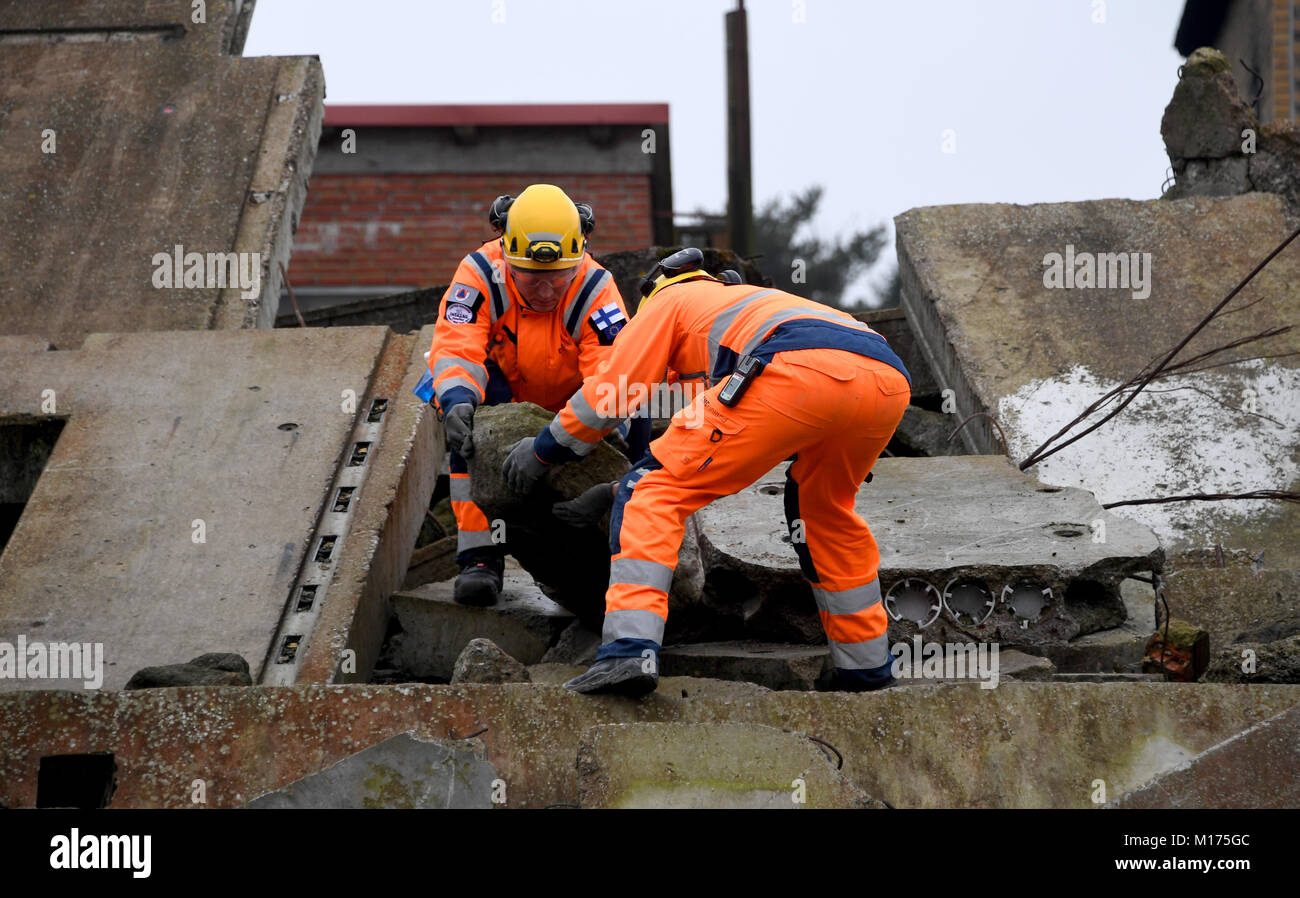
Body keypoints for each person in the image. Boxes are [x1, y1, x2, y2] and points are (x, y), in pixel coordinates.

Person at [502, 247, 911, 696]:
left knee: (652, 493)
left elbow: (614, 392)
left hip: (794, 365)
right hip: (885, 379)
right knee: (825, 514)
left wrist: (544, 448)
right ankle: (866, 670)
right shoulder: (740, 313)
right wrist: (612, 489)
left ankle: (627, 652)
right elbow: (706, 448)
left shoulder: (667, 302)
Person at [414, 184, 639, 605]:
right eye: (533, 279)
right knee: (467, 438)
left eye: (558, 278)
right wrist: (457, 397)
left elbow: (614, 373)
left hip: (570, 396)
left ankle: (608, 558)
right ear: (508, 256)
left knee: (628, 429)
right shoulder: (481, 271)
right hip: (497, 385)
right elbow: (457, 342)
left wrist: (606, 427)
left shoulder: (595, 287)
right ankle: (479, 557)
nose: (547, 292)